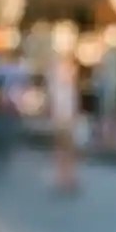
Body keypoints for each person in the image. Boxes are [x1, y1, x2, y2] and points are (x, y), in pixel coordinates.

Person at [46, 52, 80, 192]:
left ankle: (66, 176)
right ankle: (64, 177)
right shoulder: (61, 88)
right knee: (65, 148)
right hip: (62, 119)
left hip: (65, 119)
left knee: (66, 149)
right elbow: (58, 105)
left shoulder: (66, 87)